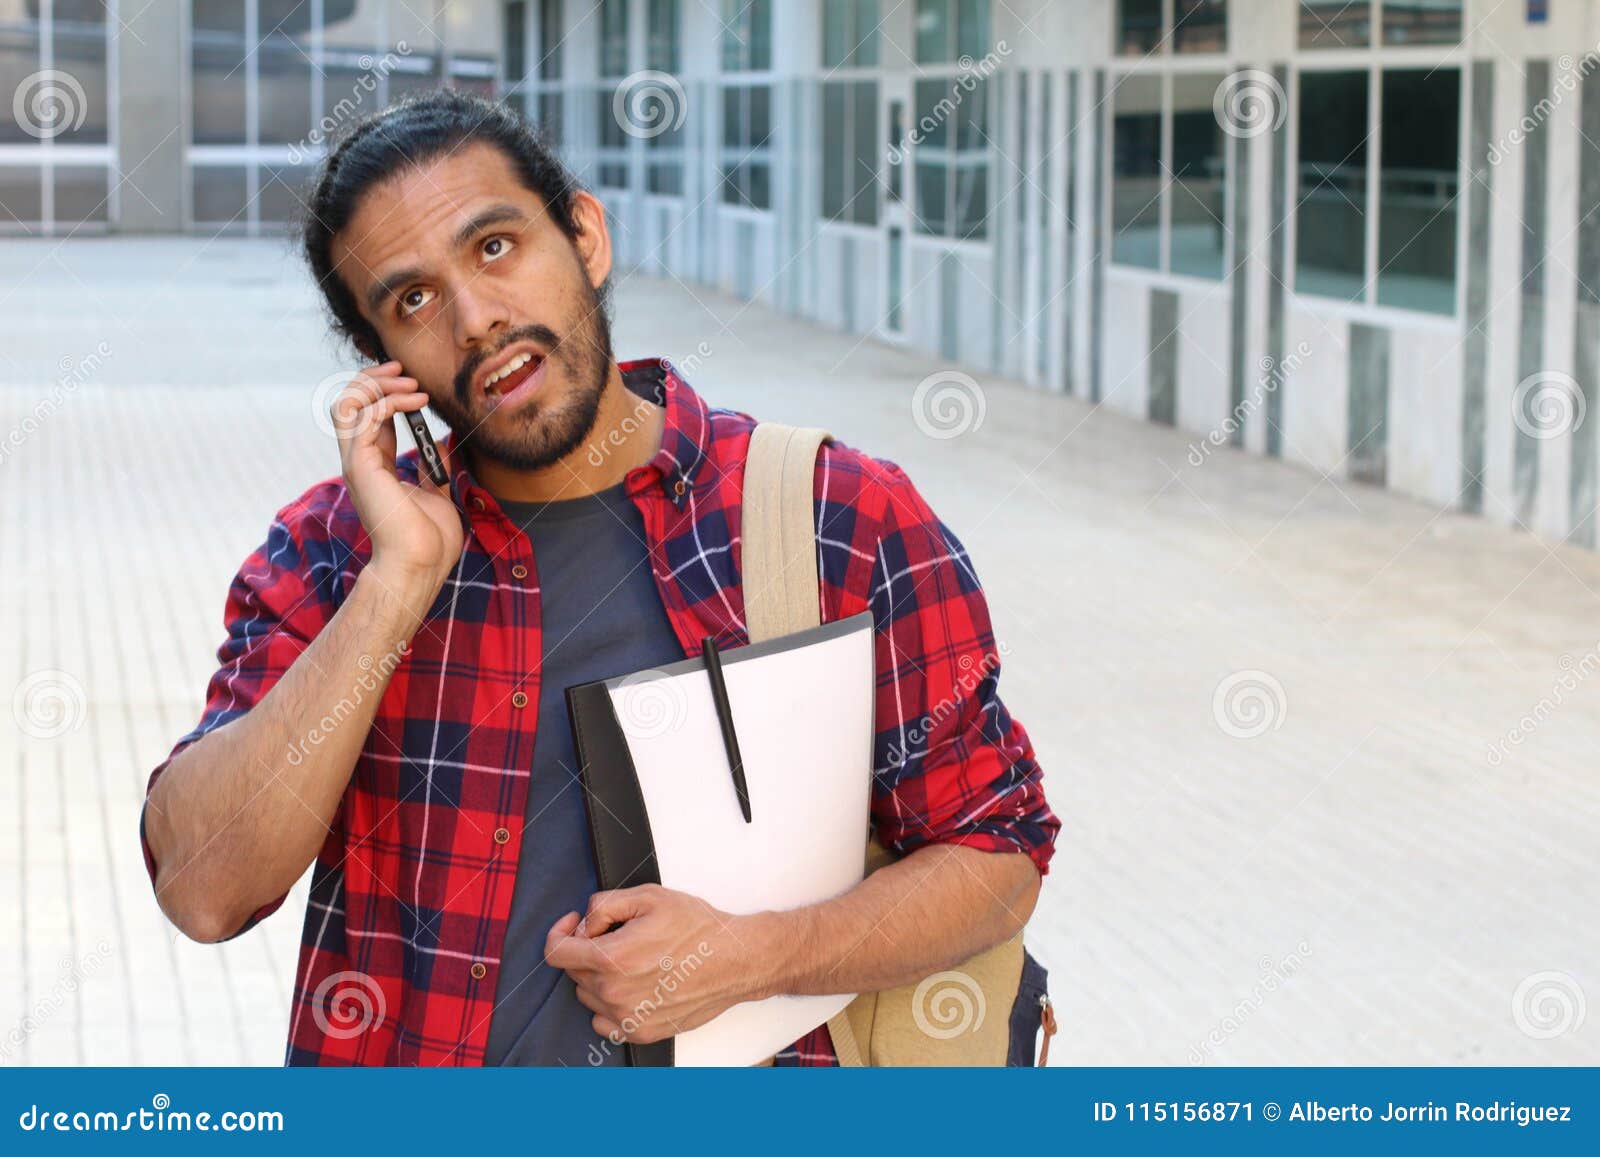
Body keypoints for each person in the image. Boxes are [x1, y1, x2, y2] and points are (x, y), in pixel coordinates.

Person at [139, 89, 1059, 1066]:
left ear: (583, 234)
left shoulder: (840, 516)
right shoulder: (331, 552)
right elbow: (206, 887)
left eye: (495, 246)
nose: (478, 317)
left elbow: (998, 850)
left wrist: (760, 953)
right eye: (412, 299)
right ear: (382, 361)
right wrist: (395, 584)